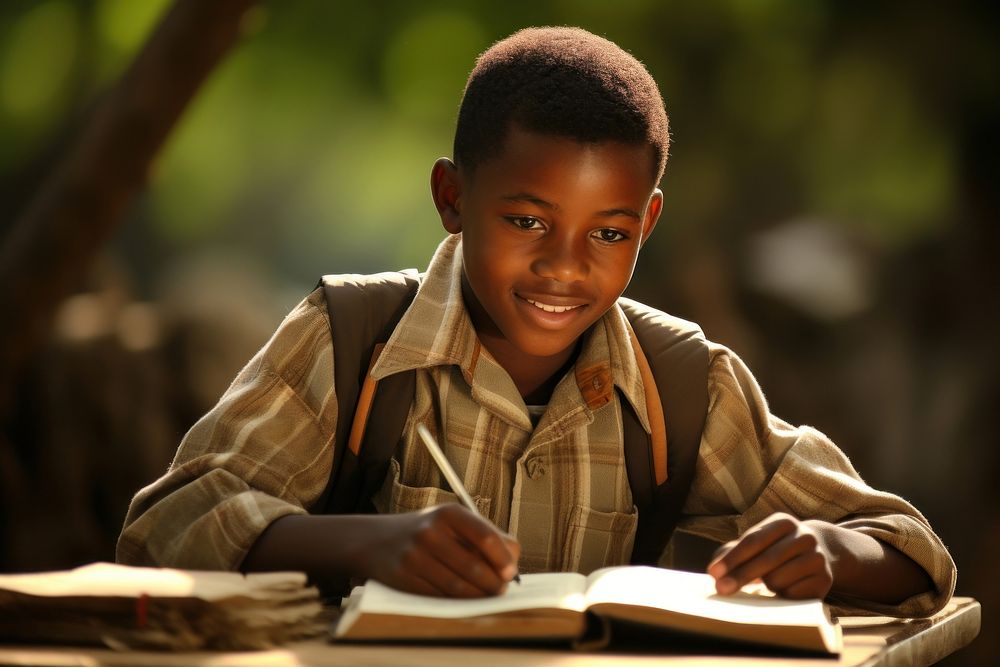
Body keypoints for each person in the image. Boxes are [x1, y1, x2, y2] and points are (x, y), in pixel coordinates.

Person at [118, 26, 955, 616]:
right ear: (452, 197)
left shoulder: (683, 386)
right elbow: (164, 526)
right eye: (527, 221)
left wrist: (830, 551)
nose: (565, 266)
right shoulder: (351, 341)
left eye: (609, 234)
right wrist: (361, 545)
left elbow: (908, 547)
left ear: (647, 224)